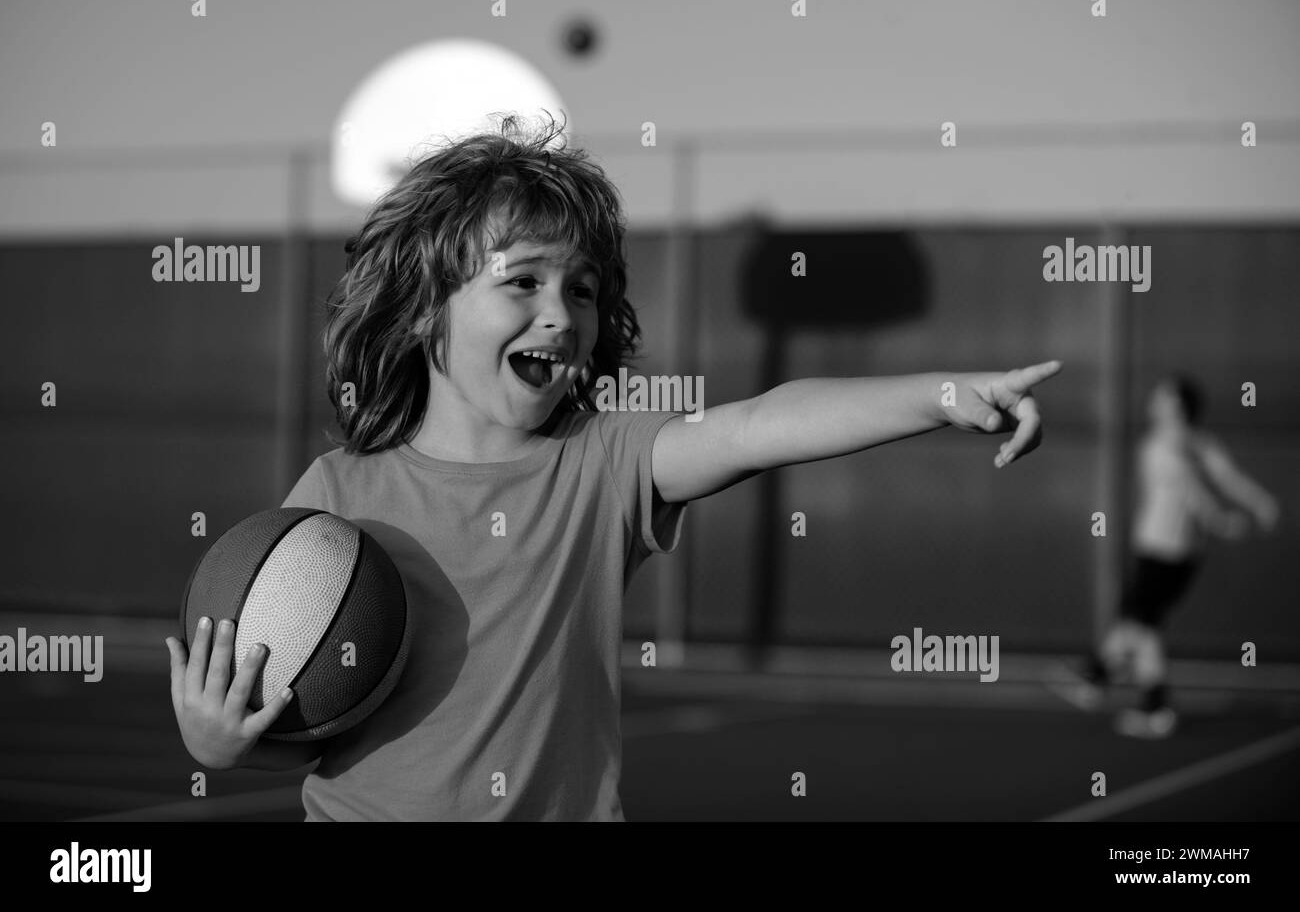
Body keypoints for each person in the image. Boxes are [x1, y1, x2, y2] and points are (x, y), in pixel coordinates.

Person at [164, 113, 1062, 820]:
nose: (561, 312)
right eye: (522, 281)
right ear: (426, 309)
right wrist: (216, 741)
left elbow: (761, 424)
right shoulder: (335, 500)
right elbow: (294, 708)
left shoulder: (603, 462)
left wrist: (941, 393)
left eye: (582, 289)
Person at [1061, 375, 1279, 739]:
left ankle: (1123, 690)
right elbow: (1211, 486)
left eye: (1161, 396)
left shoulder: (1166, 447)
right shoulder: (1185, 444)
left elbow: (1204, 487)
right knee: (1142, 624)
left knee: (1140, 625)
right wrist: (1243, 511)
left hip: (1162, 551)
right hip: (1177, 553)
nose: (1153, 400)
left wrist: (1246, 508)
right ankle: (1109, 683)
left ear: (1176, 405)